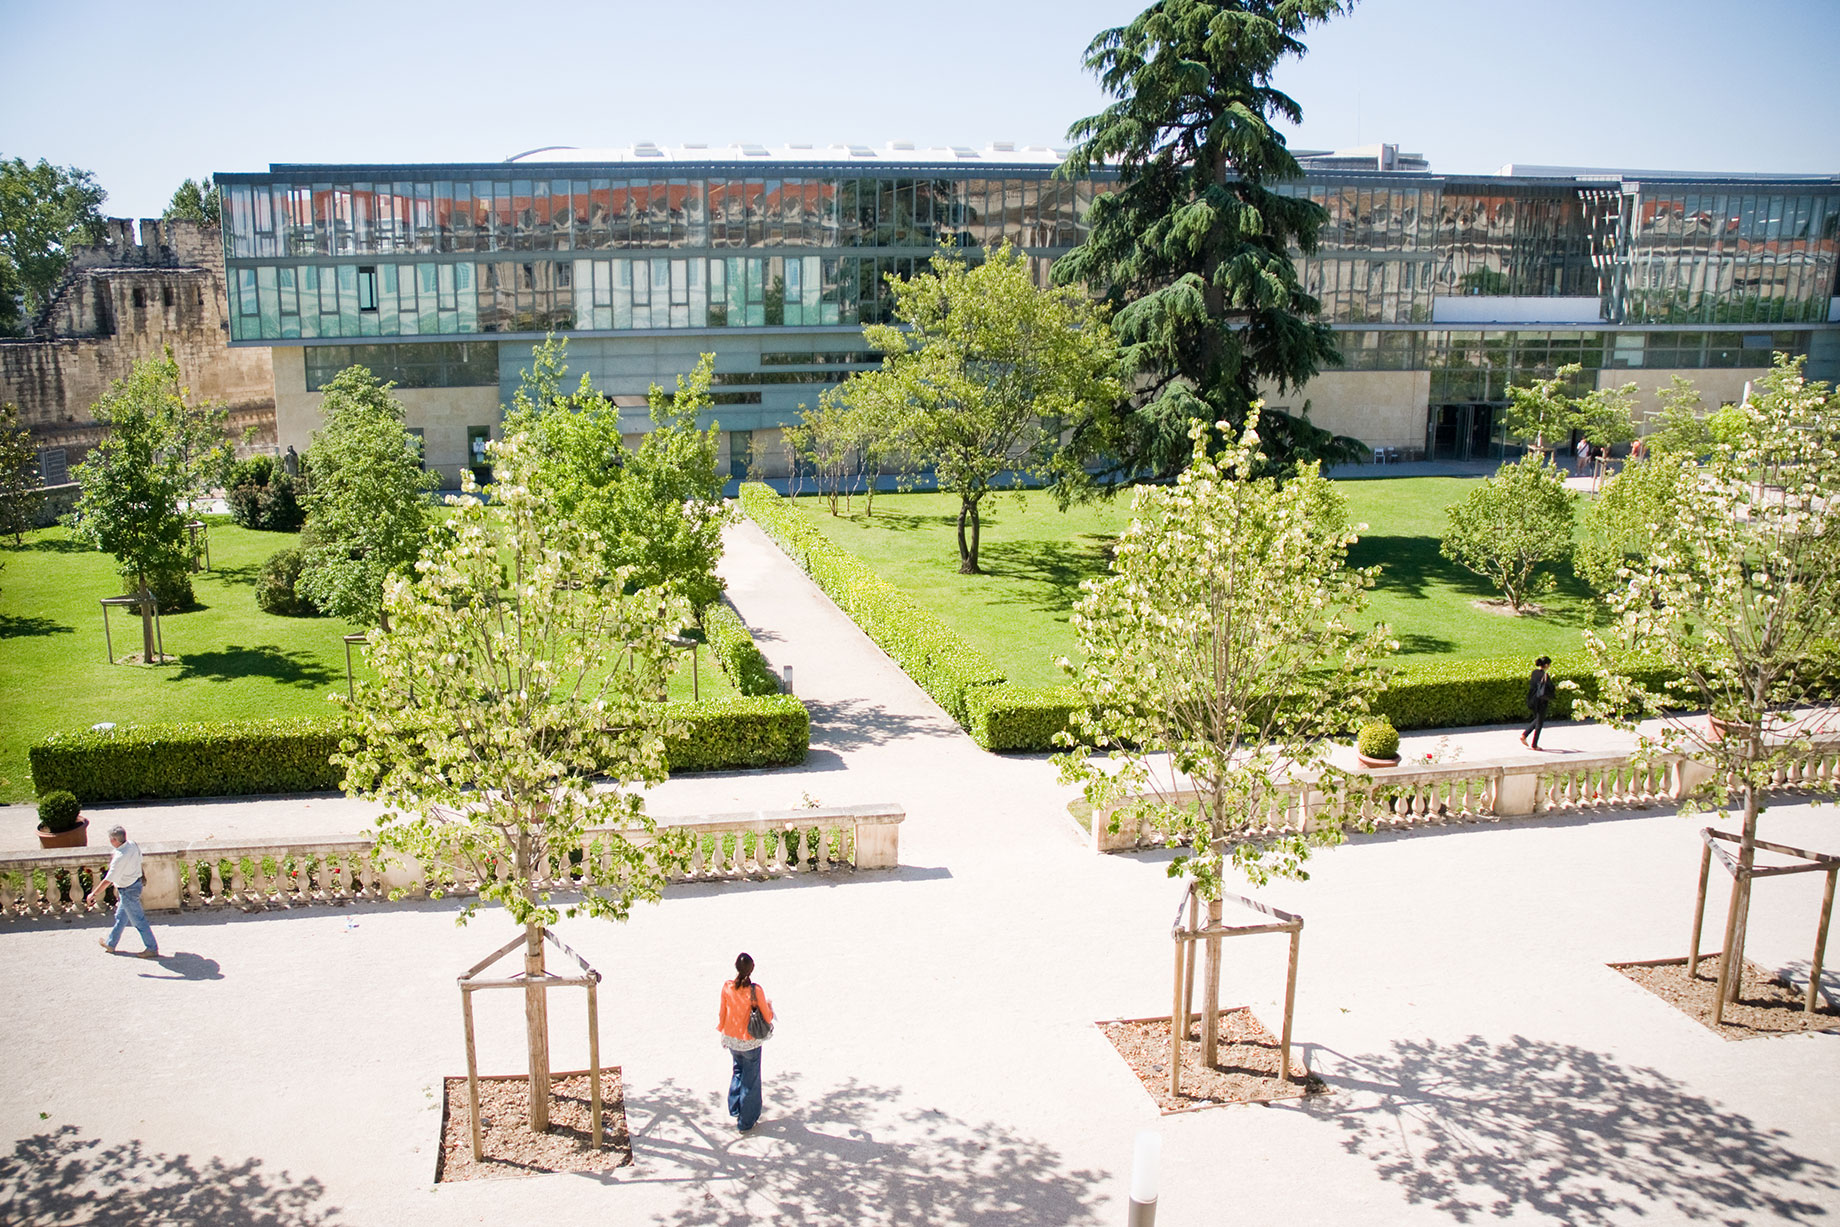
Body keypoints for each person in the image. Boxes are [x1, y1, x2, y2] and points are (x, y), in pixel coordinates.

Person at [717, 952, 775, 1132]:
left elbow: (722, 1012)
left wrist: (722, 1029)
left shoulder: (727, 987)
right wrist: (770, 1008)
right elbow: (767, 1016)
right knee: (752, 1078)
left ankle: (734, 1107)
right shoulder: (755, 990)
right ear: (752, 969)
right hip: (749, 1040)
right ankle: (746, 1120)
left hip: (731, 1037)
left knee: (738, 1070)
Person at [87, 825, 159, 958]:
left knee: (138, 920)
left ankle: (152, 948)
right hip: (133, 886)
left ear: (114, 840)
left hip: (128, 890)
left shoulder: (119, 858)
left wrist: (93, 894)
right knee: (121, 917)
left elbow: (108, 880)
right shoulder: (132, 844)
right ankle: (111, 943)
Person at [1520, 655, 1556, 750]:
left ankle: (1525, 735)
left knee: (1538, 719)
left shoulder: (1534, 673)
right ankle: (1534, 744)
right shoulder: (1545, 676)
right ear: (1547, 665)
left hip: (1532, 699)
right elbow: (1550, 688)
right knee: (1540, 722)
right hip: (1541, 700)